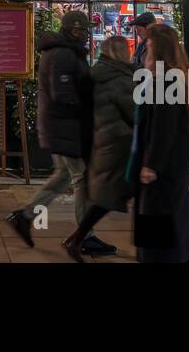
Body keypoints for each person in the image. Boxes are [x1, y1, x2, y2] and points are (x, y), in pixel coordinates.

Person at [6, 11, 95, 251]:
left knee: (63, 175)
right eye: (83, 30)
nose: (86, 34)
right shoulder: (63, 54)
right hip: (64, 125)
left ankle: (25, 217)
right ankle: (84, 235)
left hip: (59, 125)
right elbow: (63, 93)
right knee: (81, 177)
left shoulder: (64, 51)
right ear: (73, 30)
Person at [62, 35, 136, 261]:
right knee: (113, 196)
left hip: (100, 141)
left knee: (108, 196)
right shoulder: (121, 78)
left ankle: (77, 238)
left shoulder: (95, 73)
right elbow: (134, 114)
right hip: (119, 144)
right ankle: (78, 239)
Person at [132, 23, 189, 263]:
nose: (144, 51)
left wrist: (151, 166)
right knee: (167, 222)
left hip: (163, 168)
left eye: (148, 46)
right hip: (169, 165)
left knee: (159, 227)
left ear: (158, 50)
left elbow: (163, 130)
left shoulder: (165, 82)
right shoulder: (169, 77)